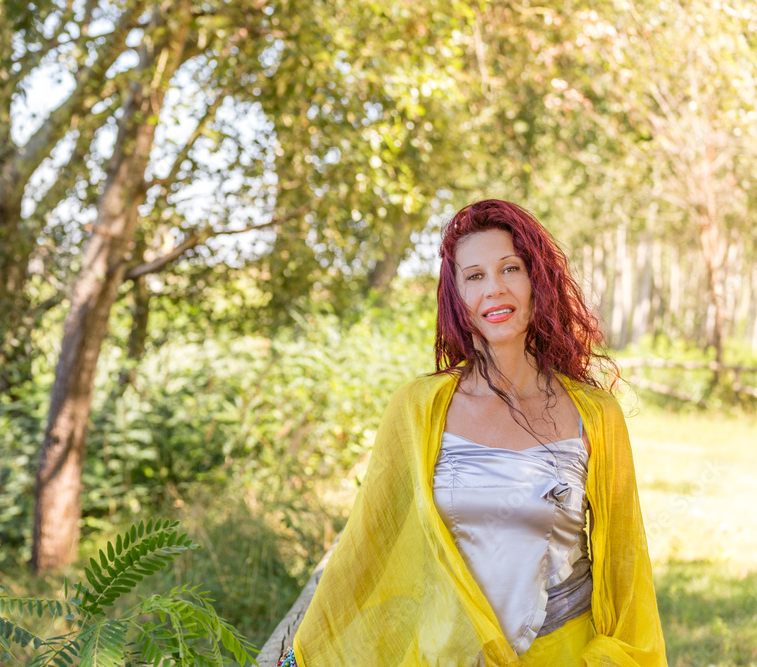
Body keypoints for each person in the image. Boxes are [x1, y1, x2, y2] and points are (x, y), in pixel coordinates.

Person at [280, 200, 666, 666]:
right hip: (446, 655)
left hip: (563, 653)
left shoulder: (595, 415)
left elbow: (627, 570)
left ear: (536, 281)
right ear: (456, 295)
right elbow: (367, 546)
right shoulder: (420, 408)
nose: (495, 290)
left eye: (510, 269)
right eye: (475, 276)